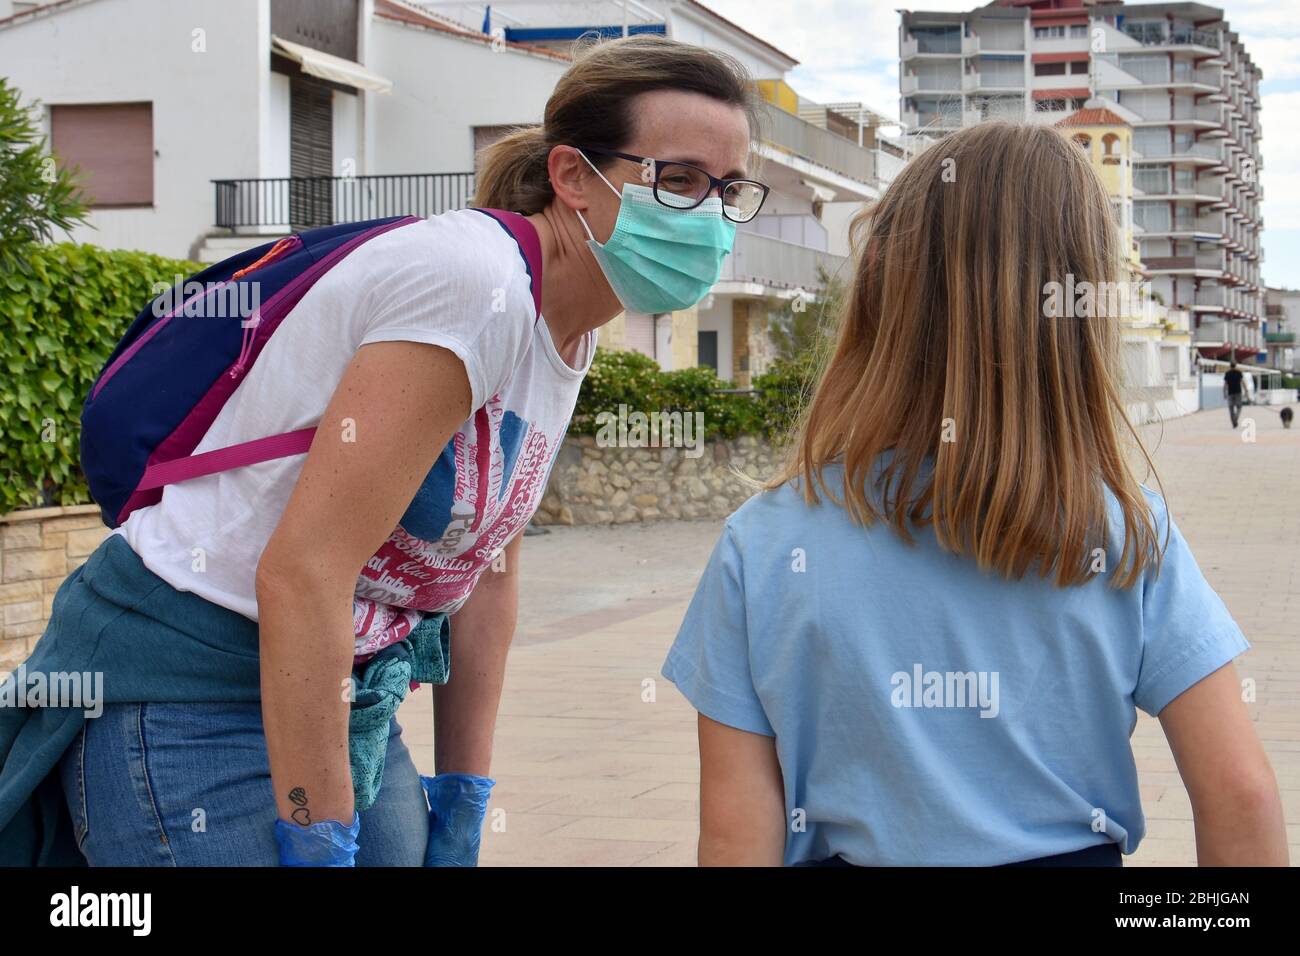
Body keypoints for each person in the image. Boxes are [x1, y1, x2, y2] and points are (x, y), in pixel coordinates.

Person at [0, 34, 770, 866]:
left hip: (344, 685)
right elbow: (303, 571)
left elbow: (489, 571)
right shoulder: (476, 284)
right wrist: (316, 833)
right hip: (191, 682)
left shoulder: (571, 325)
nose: (709, 216)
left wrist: (464, 797)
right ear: (573, 176)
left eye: (728, 190)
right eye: (678, 180)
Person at [662, 121, 1288, 867]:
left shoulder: (764, 542)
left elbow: (736, 837)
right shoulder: (1121, 533)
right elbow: (1240, 796)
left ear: (882, 299)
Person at [1224, 361, 1245, 428]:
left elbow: (1225, 385)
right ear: (1235, 366)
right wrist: (1246, 390)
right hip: (1238, 392)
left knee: (1231, 408)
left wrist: (1224, 393)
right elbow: (1242, 382)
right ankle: (1236, 417)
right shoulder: (1239, 373)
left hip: (1230, 393)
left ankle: (1234, 422)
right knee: (1239, 407)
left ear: (1230, 366)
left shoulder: (1227, 373)